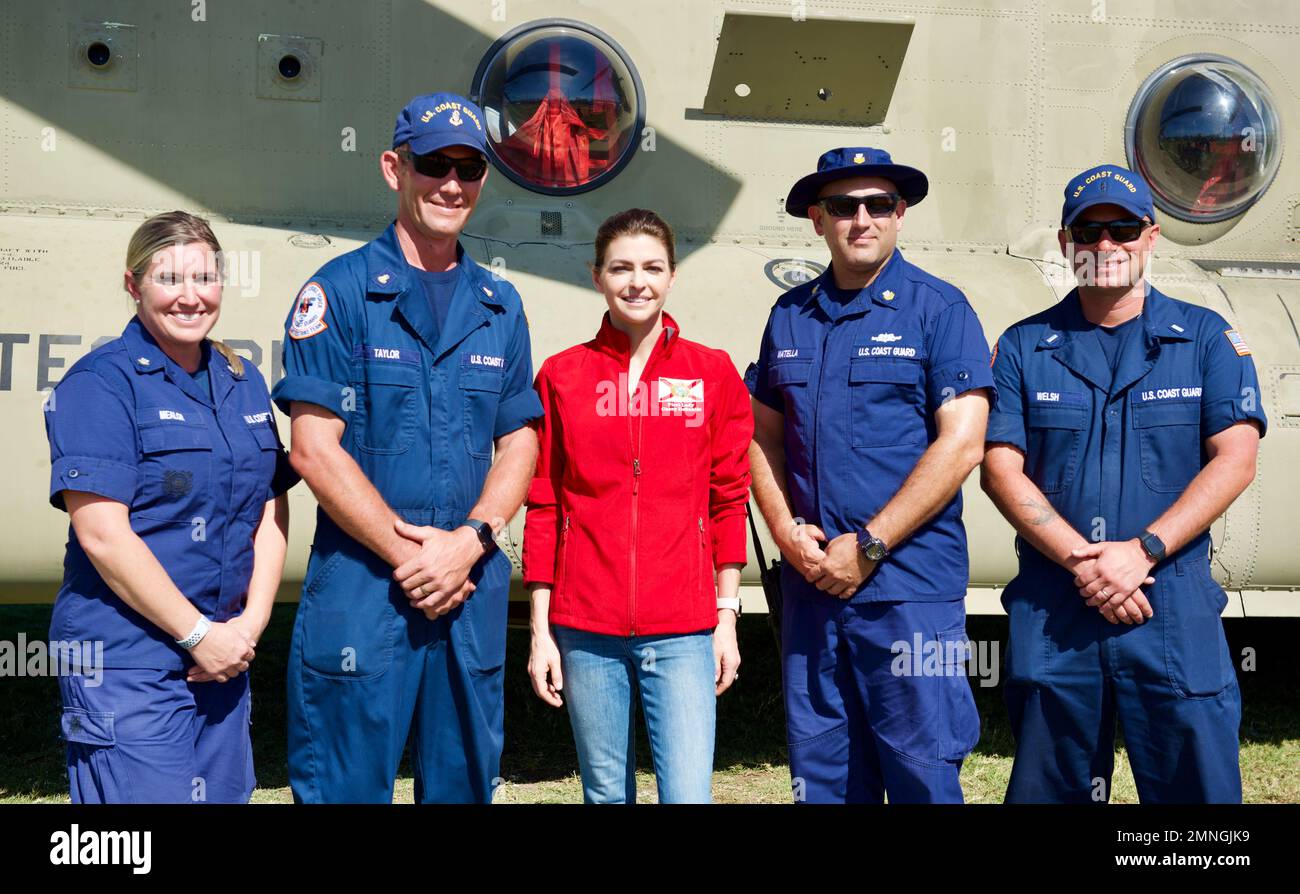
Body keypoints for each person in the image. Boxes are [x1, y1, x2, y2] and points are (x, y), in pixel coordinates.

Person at [271, 93, 543, 803]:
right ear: (395, 168)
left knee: (462, 786)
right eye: (433, 164)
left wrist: (473, 540)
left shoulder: (500, 304)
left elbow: (519, 438)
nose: (452, 184)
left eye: (469, 168)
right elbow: (312, 448)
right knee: (345, 788)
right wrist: (413, 555)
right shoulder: (339, 292)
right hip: (366, 590)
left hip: (469, 587)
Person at [982, 165, 1266, 803]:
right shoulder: (1025, 348)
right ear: (1065, 243)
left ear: (1151, 236)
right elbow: (1000, 467)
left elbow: (1235, 459)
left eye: (1122, 228)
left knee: (1197, 805)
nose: (1105, 245)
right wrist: (1085, 563)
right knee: (1050, 789)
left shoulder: (1205, 339)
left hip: (1171, 602)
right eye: (1088, 230)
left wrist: (1140, 554)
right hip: (1058, 604)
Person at [747, 148, 993, 803]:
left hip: (908, 592)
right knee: (824, 777)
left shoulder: (940, 311)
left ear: (900, 215)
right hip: (813, 590)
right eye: (843, 206)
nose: (862, 218)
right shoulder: (789, 317)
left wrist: (871, 543)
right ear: (817, 220)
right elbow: (761, 435)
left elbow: (962, 444)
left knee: (923, 769)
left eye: (877, 204)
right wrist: (785, 531)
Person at [43, 211, 296, 803]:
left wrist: (247, 628)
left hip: (224, 656)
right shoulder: (100, 385)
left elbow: (270, 508)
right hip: (125, 659)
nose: (190, 297)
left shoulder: (243, 380)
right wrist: (197, 633)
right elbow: (102, 534)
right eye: (169, 279)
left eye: (204, 278)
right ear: (134, 287)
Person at [522, 209, 752, 804]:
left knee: (687, 794)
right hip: (585, 626)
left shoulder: (712, 374)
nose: (637, 282)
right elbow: (544, 504)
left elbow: (728, 501)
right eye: (620, 268)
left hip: (684, 628)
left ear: (673, 276)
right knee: (604, 794)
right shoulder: (562, 377)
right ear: (595, 276)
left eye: (652, 267)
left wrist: (726, 618)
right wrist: (541, 631)